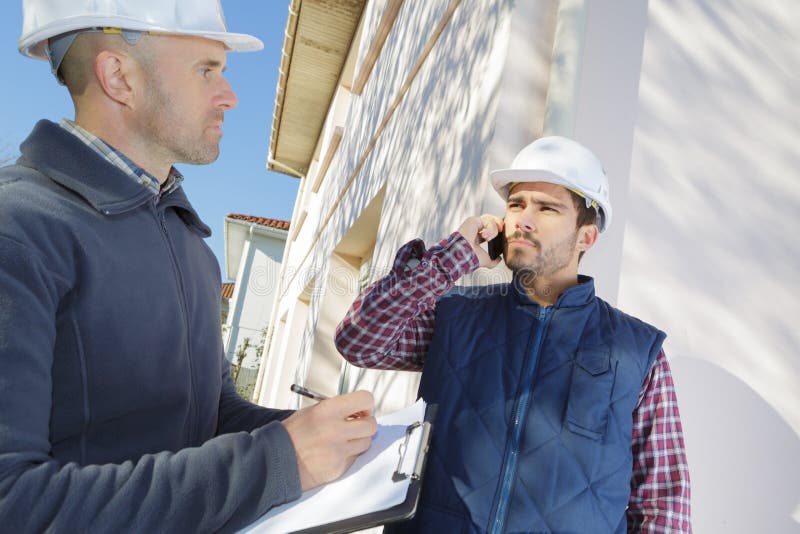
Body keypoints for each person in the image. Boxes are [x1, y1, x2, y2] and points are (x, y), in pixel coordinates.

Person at [0, 1, 376, 532]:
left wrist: (324, 434)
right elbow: (13, 505)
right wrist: (277, 461)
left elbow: (211, 418)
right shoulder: (18, 230)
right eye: (207, 70)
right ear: (119, 76)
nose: (230, 96)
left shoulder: (192, 248)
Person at [336, 136, 692, 532]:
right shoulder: (455, 315)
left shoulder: (635, 349)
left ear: (586, 236)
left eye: (547, 208)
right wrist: (453, 257)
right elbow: (359, 339)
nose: (523, 219)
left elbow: (662, 502)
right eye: (516, 204)